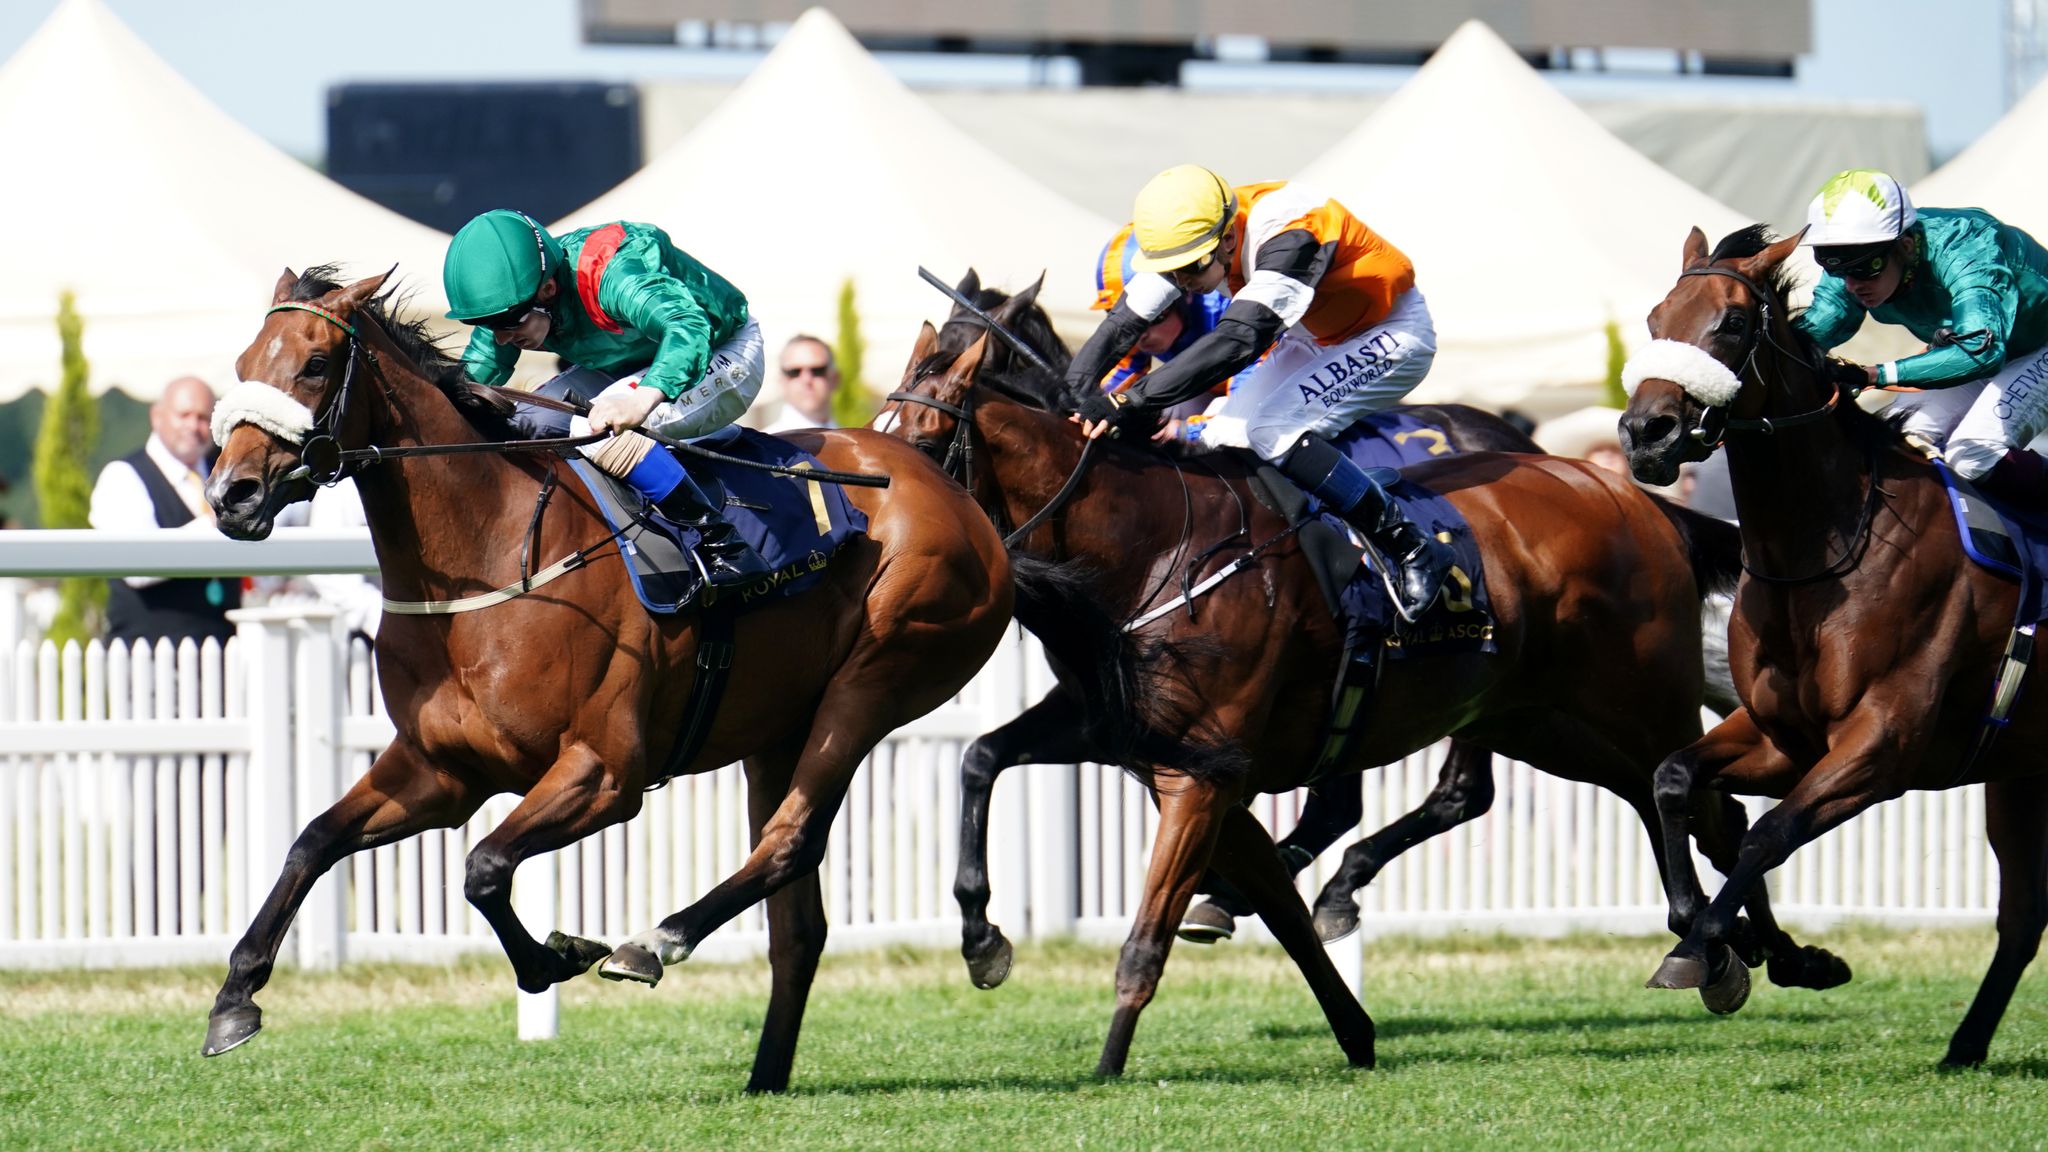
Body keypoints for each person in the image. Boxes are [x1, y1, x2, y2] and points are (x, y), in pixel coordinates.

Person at [1068, 165, 1452, 619]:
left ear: (1228, 240)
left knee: (1271, 430)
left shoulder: (1290, 231)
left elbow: (1240, 340)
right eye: (1170, 272)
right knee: (1222, 434)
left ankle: (1410, 547)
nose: (1182, 283)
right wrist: (1076, 390)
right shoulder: (1192, 246)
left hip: (1391, 332)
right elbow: (1122, 322)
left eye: (1188, 271)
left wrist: (1129, 402)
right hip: (1316, 333)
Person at [442, 209, 769, 586]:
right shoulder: (516, 300)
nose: (500, 337)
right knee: (523, 419)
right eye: (487, 325)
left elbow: (687, 328)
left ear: (548, 290)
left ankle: (724, 545)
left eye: (508, 324)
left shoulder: (609, 274)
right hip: (631, 360)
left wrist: (641, 399)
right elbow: (472, 380)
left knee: (592, 425)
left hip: (719, 348)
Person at [1795, 169, 2048, 500]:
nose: (1852, 284)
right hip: (1976, 351)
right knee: (1901, 446)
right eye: (1835, 267)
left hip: (2021, 348)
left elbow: (1980, 350)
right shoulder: (1858, 262)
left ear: (1906, 245)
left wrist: (1874, 374)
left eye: (1864, 268)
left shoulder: (1964, 245)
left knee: (1973, 453)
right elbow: (1814, 331)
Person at [89, 375, 242, 646]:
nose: (193, 426)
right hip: (147, 659)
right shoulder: (123, 476)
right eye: (183, 415)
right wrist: (214, 524)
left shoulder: (223, 472)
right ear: (157, 416)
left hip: (221, 653)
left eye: (202, 417)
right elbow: (137, 567)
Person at [1087, 222, 1245, 442]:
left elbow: (1248, 403)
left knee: (1223, 416)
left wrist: (1185, 431)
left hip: (1271, 382)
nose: (1140, 333)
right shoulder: (1137, 329)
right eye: (1130, 317)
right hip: (1213, 386)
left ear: (1185, 294)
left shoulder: (1230, 309)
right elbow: (1115, 383)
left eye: (1152, 317)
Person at [763, 335, 840, 434]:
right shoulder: (763, 446)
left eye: (817, 370)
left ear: (835, 378)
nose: (807, 379)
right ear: (781, 381)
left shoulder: (857, 443)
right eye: (794, 372)